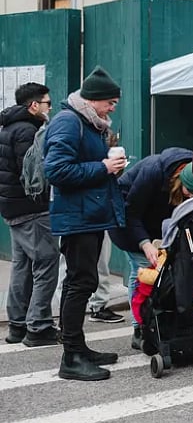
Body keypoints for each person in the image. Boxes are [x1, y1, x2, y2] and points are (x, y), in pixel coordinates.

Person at [45, 66, 127, 381]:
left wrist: (109, 168)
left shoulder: (89, 123)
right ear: (92, 99)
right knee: (80, 283)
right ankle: (71, 357)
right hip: (77, 217)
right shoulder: (69, 122)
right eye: (110, 102)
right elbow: (56, 170)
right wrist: (103, 167)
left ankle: (78, 347)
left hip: (87, 215)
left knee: (82, 282)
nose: (113, 108)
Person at [108, 146, 193, 350]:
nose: (192, 196)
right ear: (179, 180)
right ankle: (140, 329)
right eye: (190, 192)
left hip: (156, 223)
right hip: (127, 221)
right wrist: (145, 244)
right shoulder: (152, 171)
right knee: (144, 271)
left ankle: (167, 324)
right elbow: (131, 213)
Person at [0, 82, 60, 346]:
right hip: (31, 209)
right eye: (47, 103)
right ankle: (39, 326)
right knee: (46, 264)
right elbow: (34, 174)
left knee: (22, 266)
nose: (50, 108)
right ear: (34, 105)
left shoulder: (9, 127)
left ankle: (17, 325)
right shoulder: (27, 131)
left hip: (13, 208)